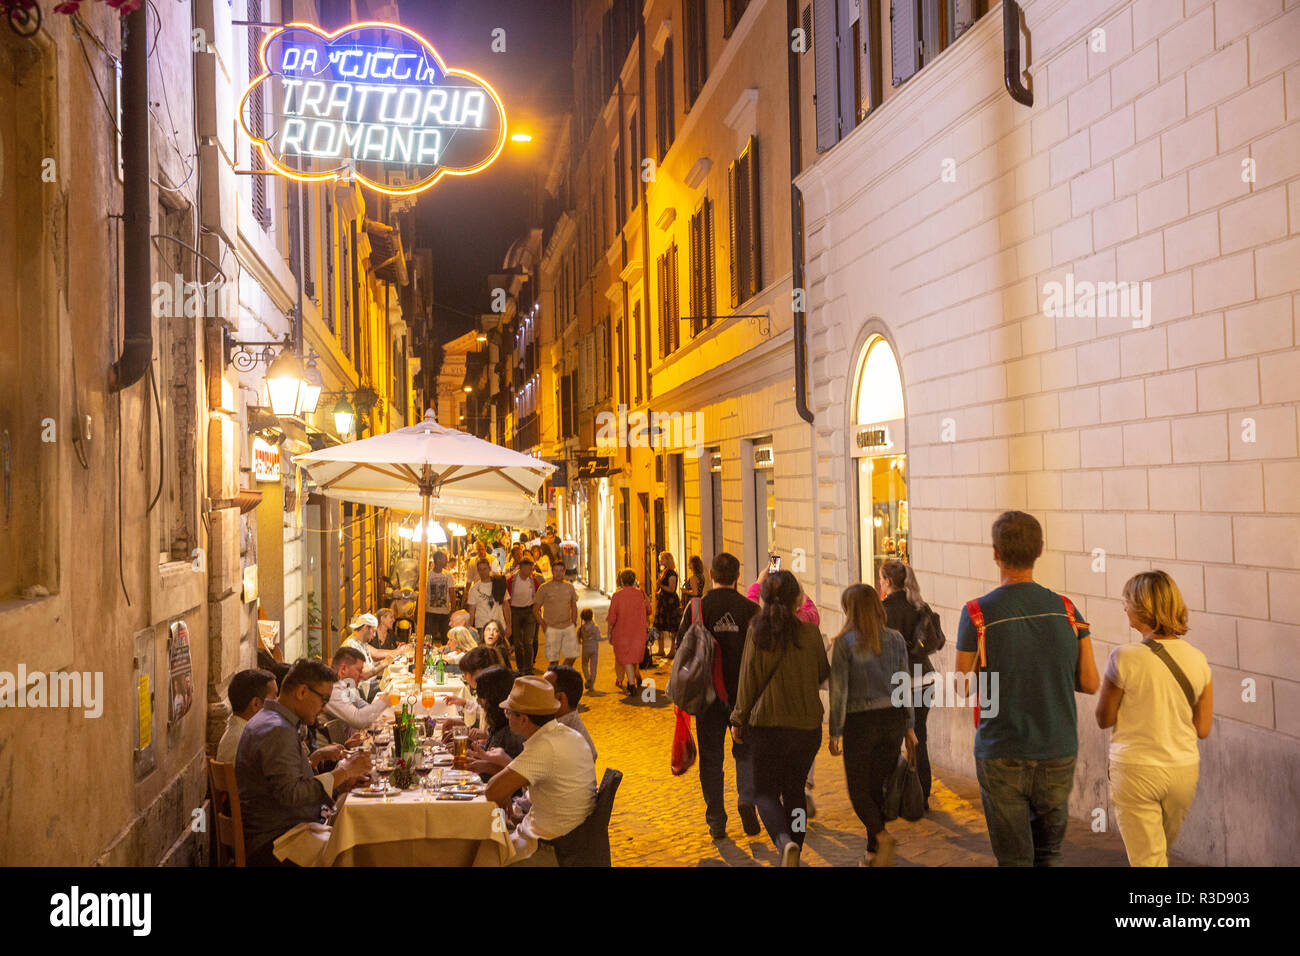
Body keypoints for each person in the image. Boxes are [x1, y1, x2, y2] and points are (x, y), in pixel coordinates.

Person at [955, 510, 1100, 867]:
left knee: (1015, 859)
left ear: (995, 553)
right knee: (1049, 853)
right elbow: (1090, 682)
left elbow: (961, 685)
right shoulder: (1067, 610)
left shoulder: (976, 613)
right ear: (1040, 550)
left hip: (1001, 749)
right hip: (1056, 748)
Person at [1096, 571, 1213, 867]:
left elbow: (1104, 718)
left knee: (1147, 860)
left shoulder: (1123, 657)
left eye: (1127, 601)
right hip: (1182, 771)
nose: (1124, 607)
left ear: (1143, 607)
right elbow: (1203, 728)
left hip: (1136, 770)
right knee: (1156, 855)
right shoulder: (1198, 658)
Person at [730, 571, 829, 866]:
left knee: (765, 792)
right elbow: (823, 673)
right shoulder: (810, 634)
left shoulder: (757, 632)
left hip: (767, 728)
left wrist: (738, 719)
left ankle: (784, 842)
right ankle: (796, 844)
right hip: (807, 726)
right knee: (795, 790)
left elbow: (748, 679)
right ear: (797, 598)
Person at [236, 659, 371, 866]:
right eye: (323, 699)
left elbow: (291, 784)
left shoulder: (270, 719)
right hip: (276, 842)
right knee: (362, 850)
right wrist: (343, 772)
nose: (324, 707)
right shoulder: (276, 730)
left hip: (287, 829)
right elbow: (291, 794)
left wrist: (339, 785)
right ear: (301, 692)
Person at [829, 584, 917, 866]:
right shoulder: (896, 639)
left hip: (860, 723)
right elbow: (904, 686)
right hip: (891, 720)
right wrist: (909, 727)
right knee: (877, 786)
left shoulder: (844, 643)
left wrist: (835, 731)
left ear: (849, 610)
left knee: (858, 789)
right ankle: (871, 851)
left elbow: (839, 691)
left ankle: (880, 836)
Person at [675, 551, 760, 839]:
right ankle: (747, 799)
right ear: (737, 577)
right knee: (745, 752)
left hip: (707, 698)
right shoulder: (750, 610)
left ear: (711, 575)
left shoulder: (696, 608)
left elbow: (681, 649)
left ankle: (716, 821)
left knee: (712, 760)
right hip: (743, 698)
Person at [485, 676, 597, 866]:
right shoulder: (567, 734)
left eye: (508, 713)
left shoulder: (544, 747)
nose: (506, 717)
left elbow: (492, 791)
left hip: (549, 846)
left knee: (481, 851)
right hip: (570, 837)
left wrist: (503, 790)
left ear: (523, 719)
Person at [879, 559, 936, 809]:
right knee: (918, 736)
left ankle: (894, 796)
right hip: (924, 680)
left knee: (891, 740)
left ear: (888, 582)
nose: (880, 583)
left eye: (881, 579)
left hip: (897, 684)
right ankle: (922, 793)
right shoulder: (918, 605)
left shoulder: (882, 611)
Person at [465, 665, 526, 778]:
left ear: (492, 697)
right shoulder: (498, 722)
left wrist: (480, 761)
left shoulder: (511, 728)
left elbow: (512, 775)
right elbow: (492, 755)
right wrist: (472, 747)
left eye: (481, 695)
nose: (477, 700)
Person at [216, 669, 278, 763]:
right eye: (274, 697)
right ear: (256, 704)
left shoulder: (239, 733)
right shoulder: (246, 742)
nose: (277, 703)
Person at [607, 569, 652, 694]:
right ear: (634, 580)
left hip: (622, 632)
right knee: (633, 655)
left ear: (621, 580)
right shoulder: (641, 594)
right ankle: (634, 677)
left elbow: (612, 617)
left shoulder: (617, 596)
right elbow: (649, 610)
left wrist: (609, 632)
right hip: (638, 631)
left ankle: (631, 684)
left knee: (626, 657)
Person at [325, 647, 392, 730]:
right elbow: (359, 720)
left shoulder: (341, 686)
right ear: (343, 669)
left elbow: (361, 705)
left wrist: (382, 717)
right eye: (359, 670)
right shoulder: (332, 690)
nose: (362, 675)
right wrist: (384, 701)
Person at [545, 664, 597, 759]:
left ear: (560, 698)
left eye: (543, 689)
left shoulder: (556, 736)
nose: (536, 693)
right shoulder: (572, 724)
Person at [536, 563, 580, 667]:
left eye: (561, 570)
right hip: (551, 628)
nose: (558, 573)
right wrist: (543, 625)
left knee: (572, 655)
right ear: (552, 571)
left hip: (567, 626)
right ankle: (555, 678)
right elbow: (535, 610)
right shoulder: (544, 588)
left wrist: (573, 623)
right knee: (553, 660)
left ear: (564, 572)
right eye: (556, 570)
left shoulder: (569, 587)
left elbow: (574, 606)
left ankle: (561, 674)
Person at [506, 557, 544, 674]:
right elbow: (507, 598)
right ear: (521, 568)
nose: (530, 572)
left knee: (528, 641)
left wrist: (538, 610)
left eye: (531, 569)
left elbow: (538, 595)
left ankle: (528, 668)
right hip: (515, 612)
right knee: (518, 642)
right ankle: (521, 667)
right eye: (528, 569)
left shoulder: (533, 580)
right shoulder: (512, 581)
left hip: (529, 611)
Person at [465, 558, 511, 646]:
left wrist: (509, 625)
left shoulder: (498, 584)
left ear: (489, 569)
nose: (482, 572)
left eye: (485, 569)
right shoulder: (474, 589)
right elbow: (471, 612)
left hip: (498, 624)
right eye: (480, 569)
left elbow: (506, 606)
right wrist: (469, 629)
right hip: (482, 626)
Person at [653, 552, 681, 658]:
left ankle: (672, 651)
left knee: (672, 628)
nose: (660, 560)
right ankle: (661, 649)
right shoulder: (664, 571)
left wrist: (661, 585)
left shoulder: (672, 574)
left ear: (668, 560)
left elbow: (671, 589)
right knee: (659, 627)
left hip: (670, 603)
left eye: (663, 559)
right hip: (662, 602)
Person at [425, 550, 455, 645]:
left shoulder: (448, 575)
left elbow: (452, 593)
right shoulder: (428, 575)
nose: (446, 561)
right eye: (444, 558)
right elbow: (422, 594)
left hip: (444, 612)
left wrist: (453, 610)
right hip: (431, 611)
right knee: (429, 639)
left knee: (446, 639)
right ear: (438, 560)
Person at [578, 608, 602, 692]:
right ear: (592, 616)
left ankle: (587, 678)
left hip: (585, 649)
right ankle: (591, 686)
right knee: (593, 668)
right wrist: (608, 637)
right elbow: (599, 638)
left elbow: (579, 640)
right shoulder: (595, 627)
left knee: (584, 665)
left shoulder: (581, 629)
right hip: (594, 649)